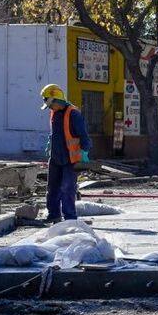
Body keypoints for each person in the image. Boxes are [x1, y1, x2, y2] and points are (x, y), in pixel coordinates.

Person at [40, 83, 91, 223]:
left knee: (67, 188)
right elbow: (55, 134)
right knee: (52, 188)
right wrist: (50, 145)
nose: (50, 107)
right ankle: (53, 214)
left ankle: (70, 218)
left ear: (57, 100)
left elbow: (84, 137)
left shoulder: (74, 114)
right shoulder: (54, 113)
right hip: (56, 158)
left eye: (51, 104)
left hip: (71, 159)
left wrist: (84, 152)